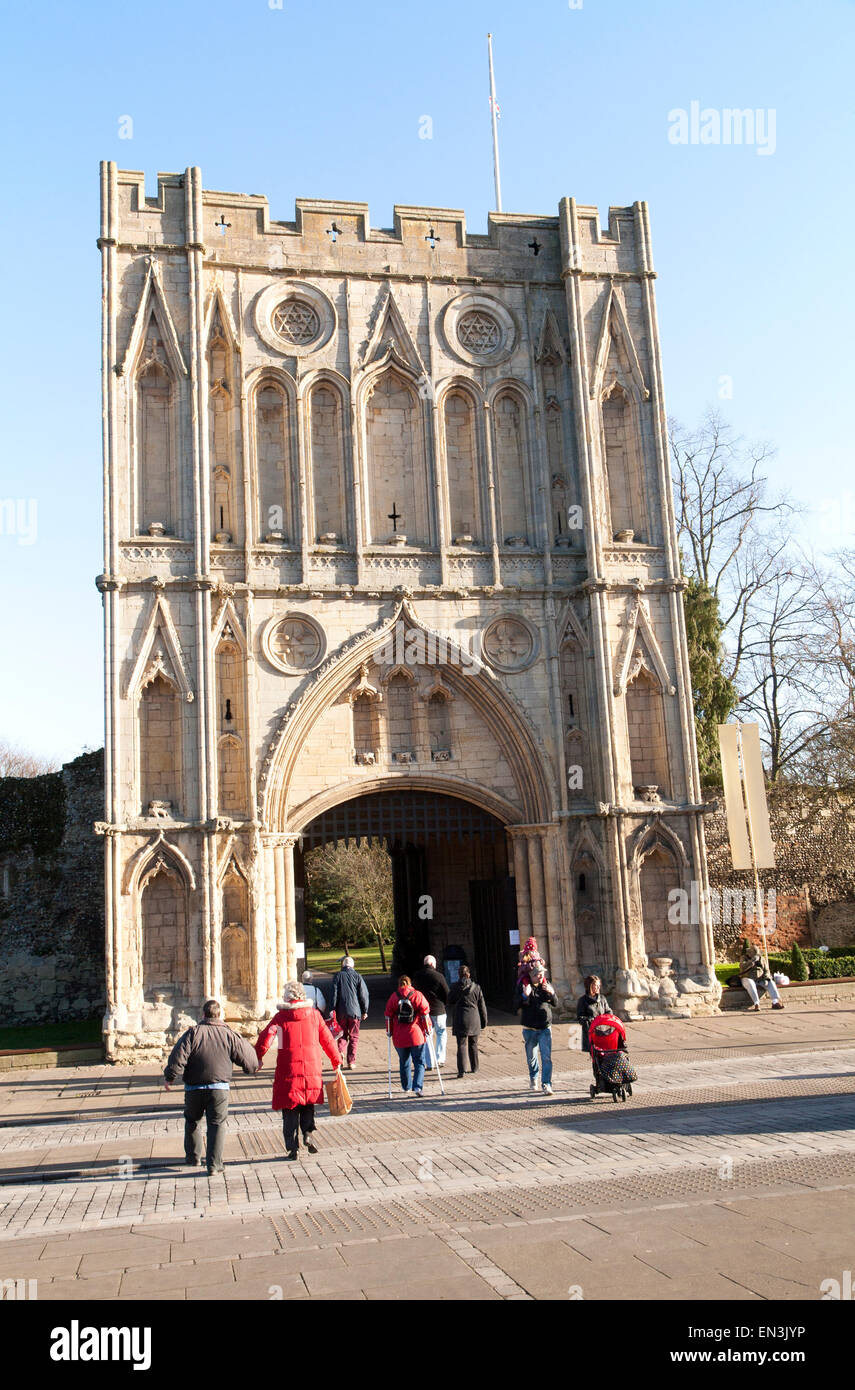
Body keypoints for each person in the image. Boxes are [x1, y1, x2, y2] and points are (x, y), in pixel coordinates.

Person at [163, 998, 259, 1176]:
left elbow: (178, 1057)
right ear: (219, 1015)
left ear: (203, 1014)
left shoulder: (193, 1033)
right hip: (218, 1087)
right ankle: (214, 1165)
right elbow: (248, 1058)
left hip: (194, 1087)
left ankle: (193, 1157)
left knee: (193, 1121)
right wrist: (252, 1068)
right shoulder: (229, 1034)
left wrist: (170, 1077)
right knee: (216, 1124)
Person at [254, 980, 341, 1160]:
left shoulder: (281, 1017)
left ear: (287, 997)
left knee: (290, 1106)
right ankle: (308, 1133)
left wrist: (258, 1057)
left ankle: (292, 1146)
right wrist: (336, 1060)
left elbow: (266, 1038)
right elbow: (327, 1040)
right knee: (307, 1101)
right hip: (311, 1066)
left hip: (288, 1067)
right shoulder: (314, 1015)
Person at [513, 963, 556, 1095]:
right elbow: (515, 1005)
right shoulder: (524, 985)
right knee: (531, 1057)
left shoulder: (546, 985)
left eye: (542, 973)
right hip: (529, 1027)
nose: (541, 975)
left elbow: (555, 1003)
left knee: (546, 1057)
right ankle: (533, 1077)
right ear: (531, 976)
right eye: (538, 974)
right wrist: (525, 996)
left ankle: (546, 1083)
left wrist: (552, 993)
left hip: (545, 1027)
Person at [385, 975, 431, 1096]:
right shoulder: (417, 995)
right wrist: (428, 1029)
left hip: (399, 1036)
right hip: (416, 1034)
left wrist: (389, 1031)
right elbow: (425, 1012)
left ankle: (406, 1087)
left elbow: (388, 1015)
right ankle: (418, 1087)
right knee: (419, 1062)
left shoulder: (394, 997)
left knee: (404, 1061)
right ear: (410, 983)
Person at [330, 955, 370, 1069]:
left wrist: (333, 1009)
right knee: (354, 1036)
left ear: (343, 965)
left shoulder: (337, 976)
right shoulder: (358, 976)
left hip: (341, 1012)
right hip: (355, 1012)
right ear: (352, 965)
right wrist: (365, 1010)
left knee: (341, 1034)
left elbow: (334, 994)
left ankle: (340, 1055)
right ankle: (351, 1061)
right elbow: (364, 995)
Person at [447, 965, 488, 1077]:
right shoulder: (476, 987)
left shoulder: (455, 987)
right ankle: (475, 1067)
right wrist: (484, 1021)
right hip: (474, 1018)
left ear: (459, 975)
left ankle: (461, 1070)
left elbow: (449, 1001)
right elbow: (482, 1006)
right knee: (473, 1044)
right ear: (468, 974)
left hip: (460, 1018)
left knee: (461, 1045)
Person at [413, 953, 451, 1067]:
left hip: (423, 1012)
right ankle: (440, 1059)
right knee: (441, 1033)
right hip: (438, 1010)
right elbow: (446, 993)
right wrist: (445, 1003)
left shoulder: (417, 976)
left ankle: (429, 1062)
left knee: (427, 1036)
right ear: (433, 964)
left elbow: (414, 993)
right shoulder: (439, 976)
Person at [577, 974, 612, 1078]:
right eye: (595, 985)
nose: (597, 988)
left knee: (608, 1055)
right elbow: (580, 1017)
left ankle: (609, 1075)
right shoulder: (583, 1001)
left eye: (598, 985)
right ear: (589, 986)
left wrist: (609, 1016)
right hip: (591, 1032)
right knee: (596, 1057)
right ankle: (599, 1077)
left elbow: (608, 1010)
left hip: (604, 1031)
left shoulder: (602, 999)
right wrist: (588, 1020)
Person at [739, 944, 785, 1011]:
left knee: (771, 982)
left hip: (760, 978)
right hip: (748, 977)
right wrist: (751, 961)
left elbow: (766, 970)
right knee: (750, 984)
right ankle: (756, 1003)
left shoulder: (762, 959)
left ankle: (775, 1002)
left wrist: (766, 978)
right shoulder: (744, 958)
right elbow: (742, 967)